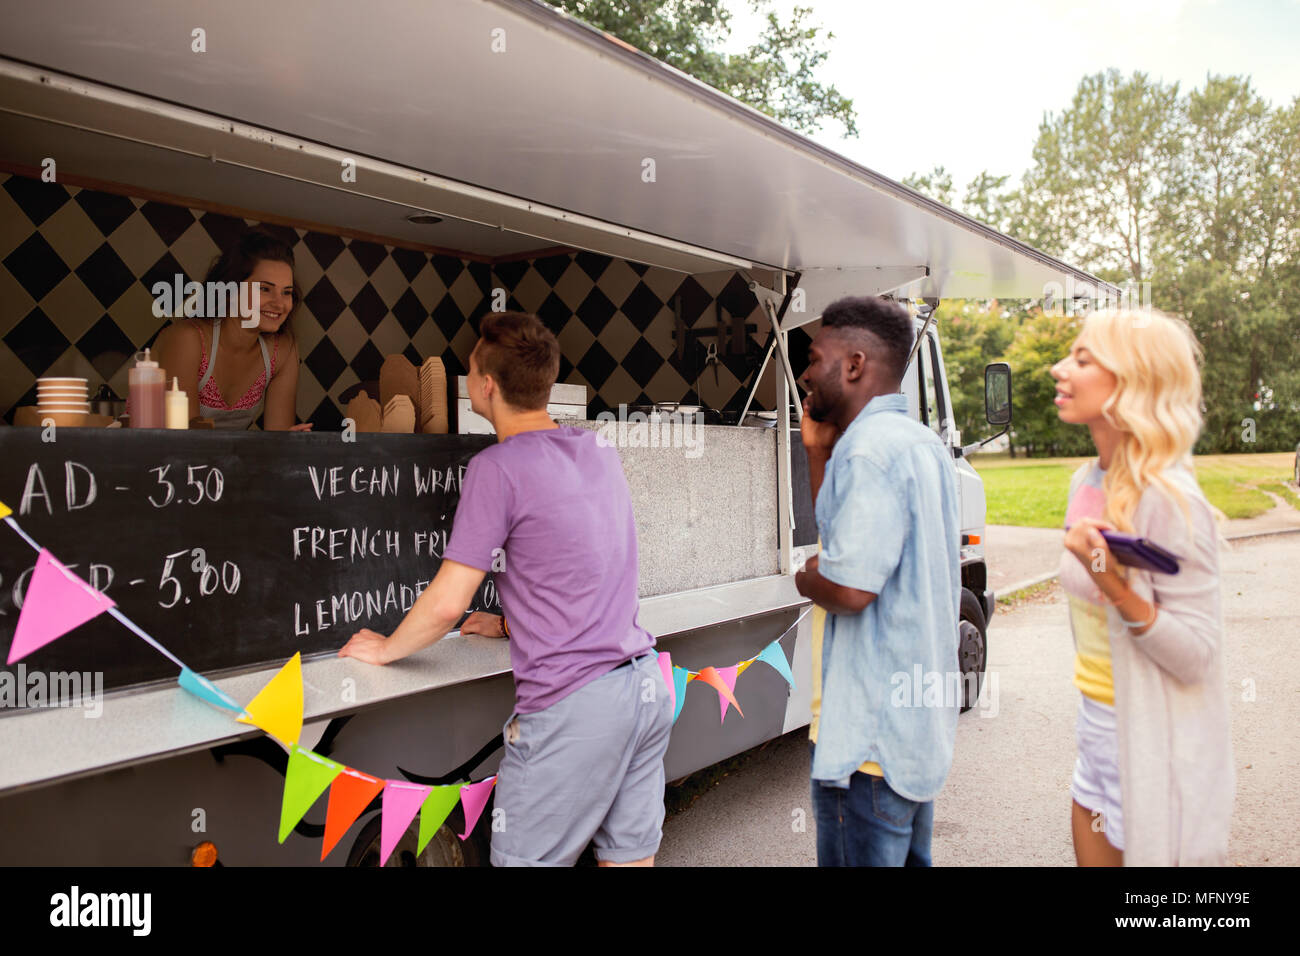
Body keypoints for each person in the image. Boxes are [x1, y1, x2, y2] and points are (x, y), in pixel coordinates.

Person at [338, 311, 672, 867]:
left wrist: (385, 646)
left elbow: (448, 603)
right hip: (642, 689)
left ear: (485, 387)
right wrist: (510, 623)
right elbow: (585, 566)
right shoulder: (598, 452)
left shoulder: (496, 468)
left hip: (574, 709)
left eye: (469, 367)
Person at [1051, 307, 1232, 866]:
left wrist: (1114, 581)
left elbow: (1198, 656)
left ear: (1131, 382)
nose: (1060, 369)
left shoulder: (1170, 499)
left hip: (1153, 739)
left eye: (1082, 359)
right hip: (1096, 728)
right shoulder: (1087, 480)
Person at [794, 295, 961, 867]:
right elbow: (852, 543)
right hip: (910, 741)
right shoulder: (921, 445)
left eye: (815, 357)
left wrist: (805, 578)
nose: (805, 373)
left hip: (866, 749)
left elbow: (848, 587)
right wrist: (818, 457)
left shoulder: (866, 453)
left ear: (855, 364)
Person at [153, 227, 311, 430]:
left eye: (286, 292)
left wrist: (286, 444)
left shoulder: (283, 350)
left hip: (224, 461)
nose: (280, 304)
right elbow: (186, 441)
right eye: (264, 289)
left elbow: (278, 438)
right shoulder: (188, 338)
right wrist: (266, 448)